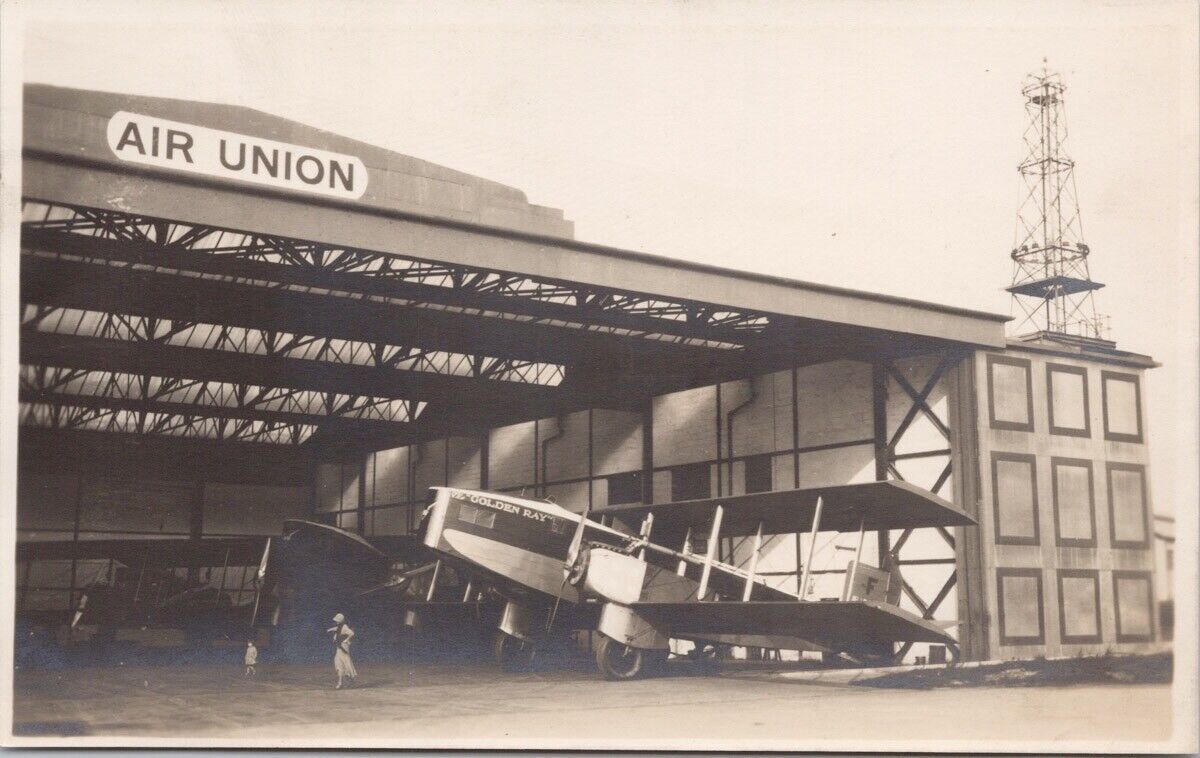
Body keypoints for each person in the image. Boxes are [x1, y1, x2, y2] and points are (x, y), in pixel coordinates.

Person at [326, 613, 357, 689]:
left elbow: (351, 633)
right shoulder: (340, 626)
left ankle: (349, 680)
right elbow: (337, 628)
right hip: (339, 646)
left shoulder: (344, 627)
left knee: (345, 662)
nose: (336, 622)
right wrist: (330, 629)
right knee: (339, 662)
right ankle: (340, 682)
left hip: (343, 646)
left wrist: (346, 640)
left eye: (337, 620)